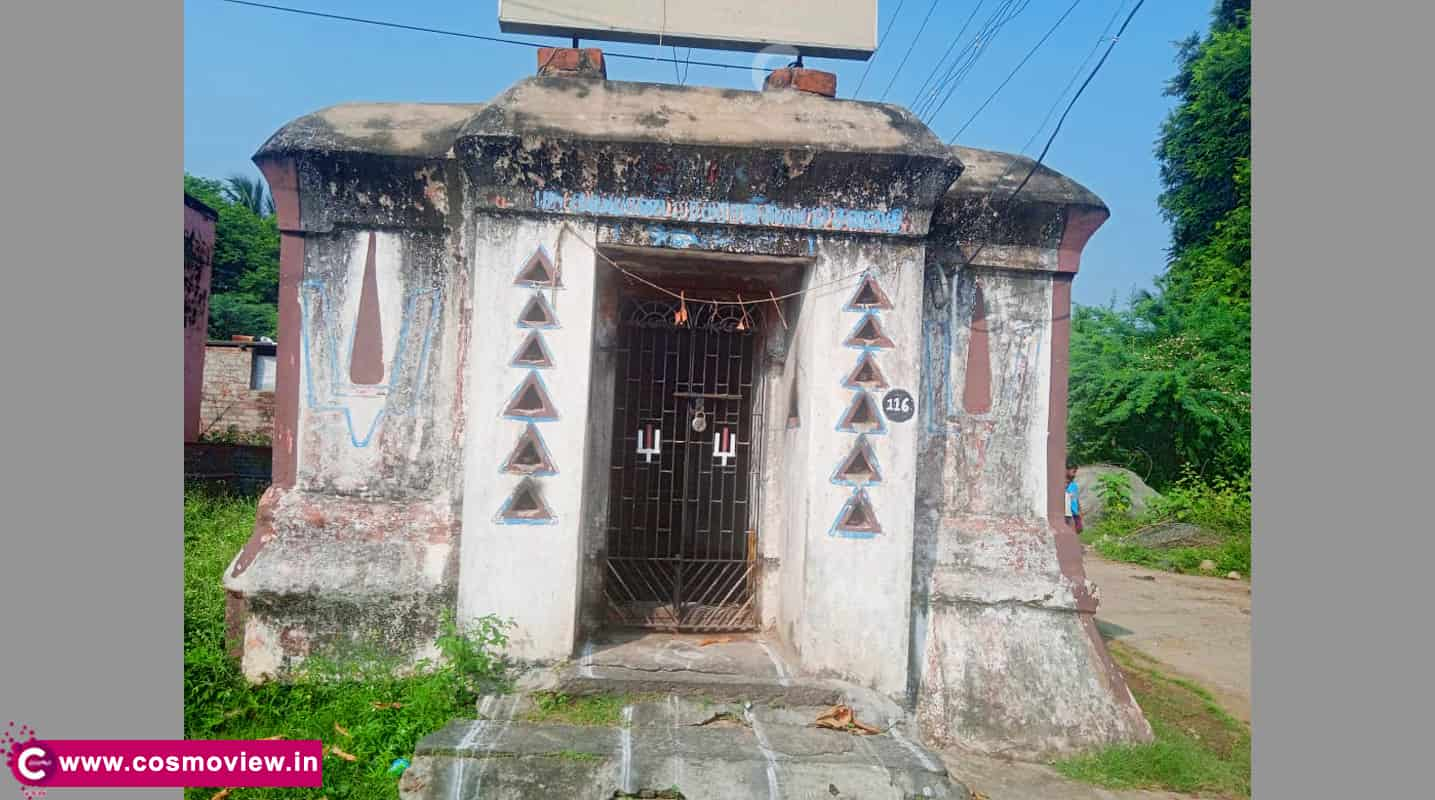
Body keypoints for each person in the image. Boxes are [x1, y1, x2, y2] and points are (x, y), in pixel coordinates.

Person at [1064, 466, 1083, 534]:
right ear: (1066, 470)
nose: (1075, 475)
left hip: (1075, 512)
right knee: (1070, 530)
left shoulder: (1074, 485)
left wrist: (1080, 510)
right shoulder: (1063, 484)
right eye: (1073, 472)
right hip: (1068, 512)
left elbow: (1076, 498)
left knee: (1079, 529)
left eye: (1075, 472)